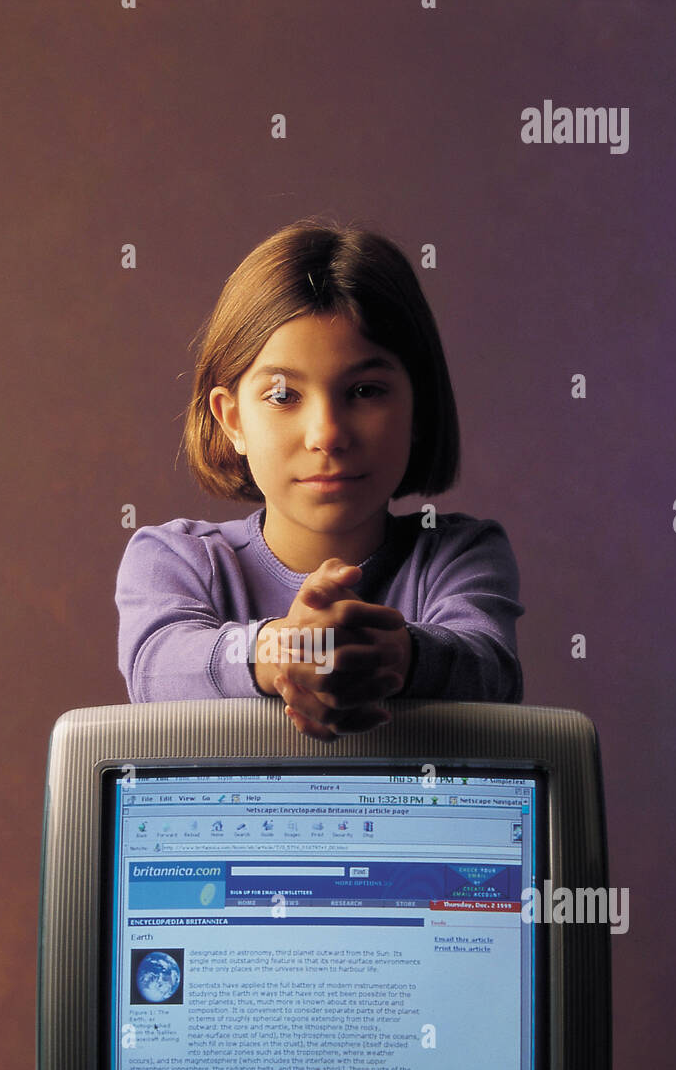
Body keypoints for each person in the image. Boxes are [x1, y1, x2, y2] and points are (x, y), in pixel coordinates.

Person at [115, 219, 523, 741]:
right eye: (284, 395)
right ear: (232, 420)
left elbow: (490, 670)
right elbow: (156, 669)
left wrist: (396, 655)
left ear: (418, 408)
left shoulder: (461, 556)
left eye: (365, 391)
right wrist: (283, 650)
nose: (327, 434)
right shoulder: (173, 560)